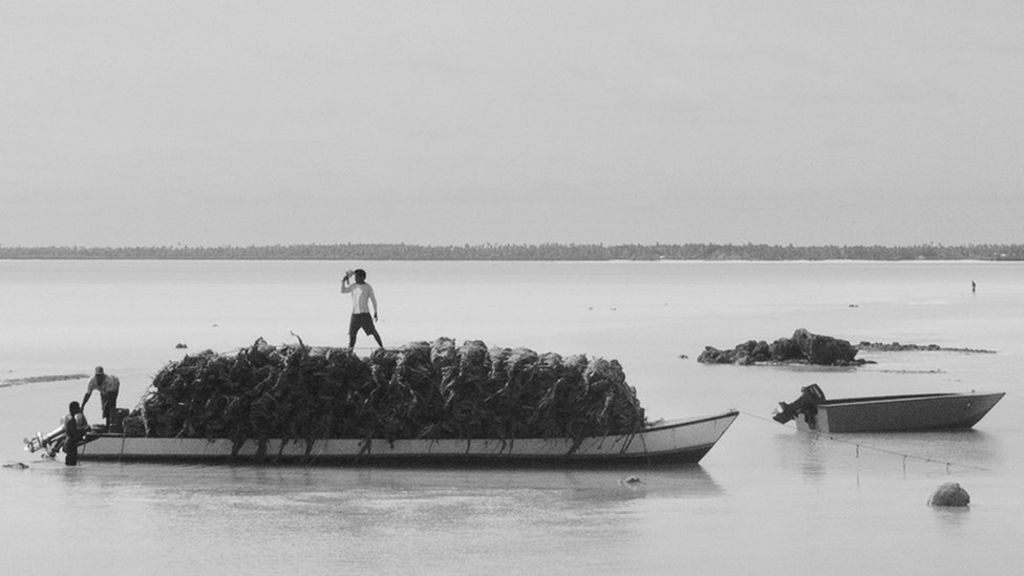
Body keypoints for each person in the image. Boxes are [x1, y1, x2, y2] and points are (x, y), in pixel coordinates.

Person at [341, 268, 383, 349]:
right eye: (355, 277)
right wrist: (343, 281)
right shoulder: (353, 286)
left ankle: (382, 347)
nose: (355, 279)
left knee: (373, 331)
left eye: (357, 277)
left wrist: (375, 312)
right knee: (352, 335)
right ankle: (350, 352)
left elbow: (373, 299)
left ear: (363, 277)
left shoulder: (367, 287)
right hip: (355, 315)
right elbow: (343, 291)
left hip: (365, 314)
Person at [61, 401, 88, 466]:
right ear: (73, 409)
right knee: (72, 462)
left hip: (68, 442)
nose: (79, 409)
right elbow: (74, 433)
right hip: (71, 444)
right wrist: (84, 429)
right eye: (77, 408)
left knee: (69, 464)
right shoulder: (72, 420)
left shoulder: (67, 417)